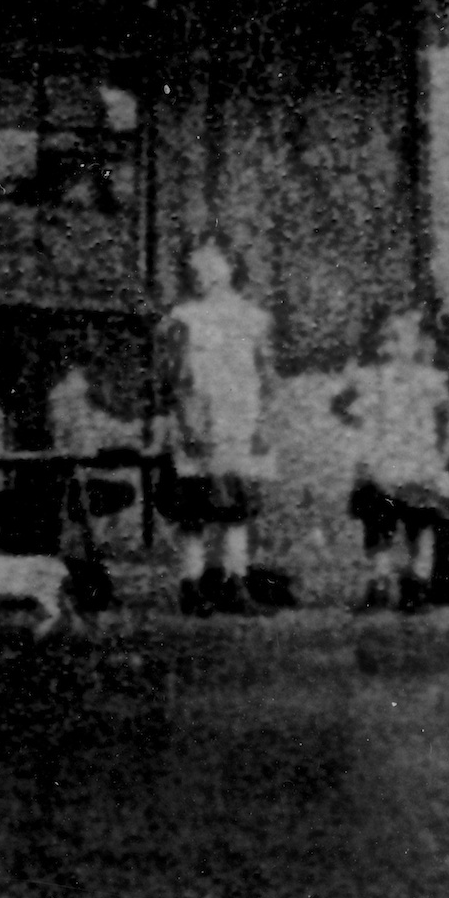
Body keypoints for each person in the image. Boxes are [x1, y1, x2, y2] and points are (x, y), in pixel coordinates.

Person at [154, 232, 277, 617]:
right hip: (199, 422)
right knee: (194, 510)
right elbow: (175, 379)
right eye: (194, 265)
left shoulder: (254, 319)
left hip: (240, 423)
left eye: (211, 262)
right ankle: (190, 585)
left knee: (237, 508)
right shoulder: (183, 319)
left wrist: (263, 424)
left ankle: (234, 581)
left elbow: (265, 376)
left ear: (231, 265)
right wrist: (188, 424)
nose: (201, 271)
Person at [339, 307, 449, 614]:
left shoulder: (428, 380)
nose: (390, 347)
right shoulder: (371, 379)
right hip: (382, 459)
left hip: (418, 461)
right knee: (377, 522)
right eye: (386, 339)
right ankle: (379, 580)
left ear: (416, 344)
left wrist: (443, 456)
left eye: (398, 339)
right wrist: (362, 438)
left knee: (420, 526)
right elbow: (346, 407)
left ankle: (416, 585)